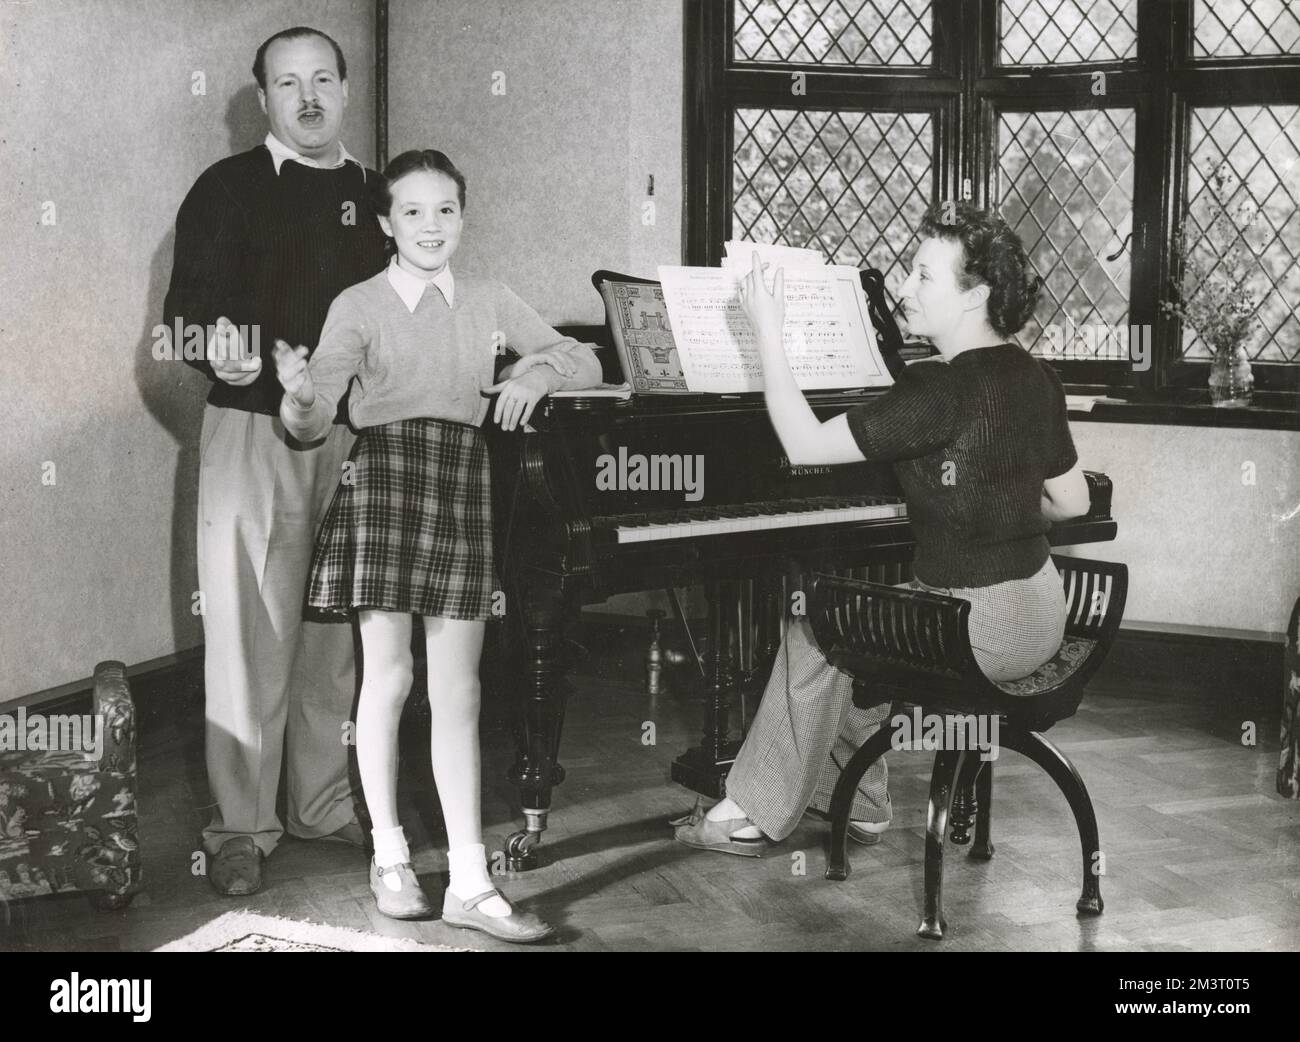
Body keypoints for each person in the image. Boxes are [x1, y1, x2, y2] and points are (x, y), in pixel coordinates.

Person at [674, 203, 1091, 854]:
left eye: (925, 276)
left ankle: (751, 812)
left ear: (975, 295)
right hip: (1042, 617)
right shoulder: (1038, 376)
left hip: (973, 632)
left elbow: (806, 443)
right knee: (861, 629)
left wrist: (767, 334)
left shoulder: (935, 388)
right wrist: (996, 508)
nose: (903, 287)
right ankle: (860, 803)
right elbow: (1072, 505)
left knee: (814, 629)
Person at [273, 148, 601, 942]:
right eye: (412, 212)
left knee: (461, 693)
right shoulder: (356, 303)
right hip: (383, 482)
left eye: (445, 211)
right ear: (385, 224)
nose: (431, 226)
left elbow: (583, 357)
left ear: (463, 217)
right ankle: (389, 857)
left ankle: (467, 880)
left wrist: (535, 375)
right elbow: (314, 421)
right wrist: (300, 398)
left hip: (460, 482)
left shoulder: (488, 296)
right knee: (388, 677)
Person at [164, 27, 388, 895]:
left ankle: (323, 804)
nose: (307, 99)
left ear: (345, 88)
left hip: (352, 436)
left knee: (335, 634)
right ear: (262, 99)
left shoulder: (379, 194)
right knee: (246, 635)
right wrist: (218, 349)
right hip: (250, 432)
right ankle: (240, 826)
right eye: (287, 84)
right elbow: (182, 318)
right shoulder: (224, 189)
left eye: (322, 80)